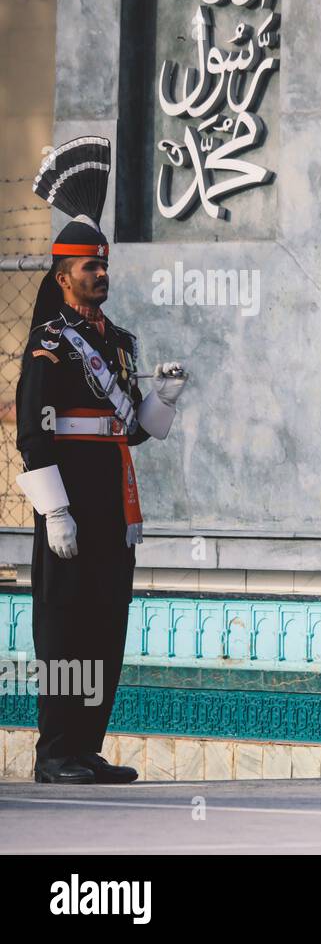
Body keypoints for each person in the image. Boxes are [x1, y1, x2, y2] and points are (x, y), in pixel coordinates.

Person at [20, 136, 188, 784]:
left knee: (103, 623)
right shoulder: (48, 347)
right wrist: (56, 513)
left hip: (113, 500)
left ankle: (86, 746)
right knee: (63, 627)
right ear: (64, 277)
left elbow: (136, 433)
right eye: (88, 267)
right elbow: (34, 439)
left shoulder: (117, 343)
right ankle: (54, 750)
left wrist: (165, 399)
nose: (100, 274)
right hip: (69, 501)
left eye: (103, 264)